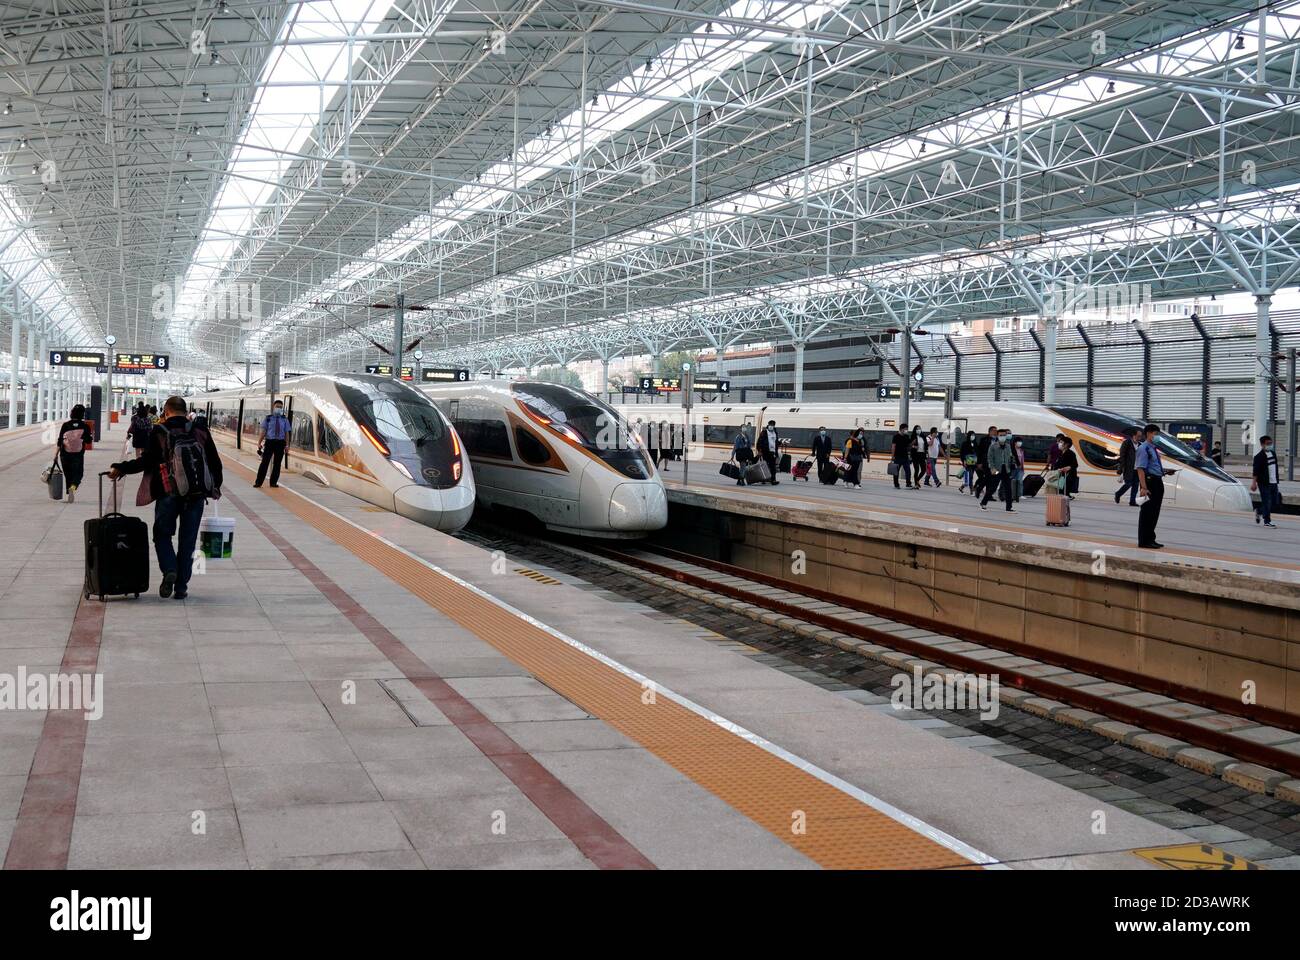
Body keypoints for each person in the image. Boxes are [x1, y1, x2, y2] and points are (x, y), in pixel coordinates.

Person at [107, 395, 224, 600]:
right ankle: (181, 587)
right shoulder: (200, 431)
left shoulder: (160, 431)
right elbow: (215, 464)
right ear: (185, 411)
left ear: (166, 411)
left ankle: (170, 569)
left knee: (162, 535)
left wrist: (121, 468)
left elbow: (147, 461)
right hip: (195, 496)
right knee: (188, 542)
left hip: (167, 493)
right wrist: (212, 488)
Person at [1136, 423, 1174, 549]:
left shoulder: (1153, 448)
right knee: (1147, 513)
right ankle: (1144, 541)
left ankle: (1151, 539)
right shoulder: (1144, 448)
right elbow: (1140, 469)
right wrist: (1144, 487)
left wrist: (1165, 471)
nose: (1157, 436)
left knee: (1154, 513)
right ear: (1148, 433)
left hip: (1157, 481)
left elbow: (1152, 467)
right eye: (1155, 434)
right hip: (1149, 483)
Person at [55, 404, 93, 503]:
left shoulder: (65, 425)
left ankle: (69, 495)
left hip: (64, 454)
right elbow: (88, 441)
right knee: (78, 474)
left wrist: (55, 454)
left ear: (72, 413)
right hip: (78, 454)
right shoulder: (85, 426)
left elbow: (60, 440)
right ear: (82, 414)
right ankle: (73, 487)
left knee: (68, 474)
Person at [254, 398, 291, 488]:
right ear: (273, 407)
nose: (279, 408)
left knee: (277, 464)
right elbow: (263, 431)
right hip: (270, 442)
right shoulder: (268, 418)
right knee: (264, 463)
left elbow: (287, 433)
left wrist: (287, 445)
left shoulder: (284, 419)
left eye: (281, 407)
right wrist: (259, 442)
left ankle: (273, 483)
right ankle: (258, 482)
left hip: (280, 443)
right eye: (277, 406)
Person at [981, 429, 1016, 512]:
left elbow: (1010, 456)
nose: (1003, 437)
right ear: (997, 436)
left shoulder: (1008, 446)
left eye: (1004, 435)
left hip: (1006, 470)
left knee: (1008, 489)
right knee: (993, 487)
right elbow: (990, 458)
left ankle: (1009, 507)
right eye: (1001, 435)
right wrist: (992, 468)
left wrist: (1013, 462)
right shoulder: (993, 446)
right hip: (997, 470)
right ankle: (983, 503)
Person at [1252, 436, 1281, 527]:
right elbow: (1255, 471)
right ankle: (1267, 521)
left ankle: (1259, 511)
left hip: (1274, 482)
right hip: (1264, 483)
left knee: (1275, 501)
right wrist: (1254, 483)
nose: (1270, 445)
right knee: (1267, 502)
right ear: (1262, 444)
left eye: (1270, 443)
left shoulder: (1273, 453)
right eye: (1267, 443)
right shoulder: (1258, 457)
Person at [1114, 427, 1139, 506]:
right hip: (1128, 468)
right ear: (1134, 435)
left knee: (1135, 485)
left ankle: (1132, 501)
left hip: (1138, 468)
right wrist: (1122, 467)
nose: (1140, 437)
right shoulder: (1127, 443)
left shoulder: (1140, 444)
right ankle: (1118, 494)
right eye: (1138, 436)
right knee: (1128, 484)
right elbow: (1122, 455)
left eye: (1141, 436)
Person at [755, 419, 780, 485]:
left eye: (773, 425)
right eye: (770, 425)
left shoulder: (775, 433)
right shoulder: (764, 432)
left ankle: (773, 480)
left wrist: (779, 444)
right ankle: (764, 479)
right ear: (768, 425)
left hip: (773, 452)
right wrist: (760, 451)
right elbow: (759, 442)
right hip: (765, 452)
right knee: (765, 466)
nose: (771, 426)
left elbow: (775, 442)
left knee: (773, 467)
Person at [974, 426, 997, 497]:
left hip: (995, 463)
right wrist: (979, 463)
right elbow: (979, 452)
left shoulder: (997, 440)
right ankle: (987, 494)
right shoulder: (984, 440)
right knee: (988, 477)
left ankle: (980, 489)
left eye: (996, 431)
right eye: (994, 431)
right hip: (986, 462)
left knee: (992, 478)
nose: (995, 432)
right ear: (989, 431)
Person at [891, 423, 913, 489]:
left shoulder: (906, 436)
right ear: (901, 429)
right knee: (896, 471)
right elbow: (893, 446)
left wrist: (913, 442)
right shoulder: (896, 436)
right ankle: (896, 484)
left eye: (907, 429)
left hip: (905, 457)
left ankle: (908, 484)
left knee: (908, 471)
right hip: (897, 457)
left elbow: (909, 445)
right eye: (905, 429)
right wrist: (892, 456)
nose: (906, 430)